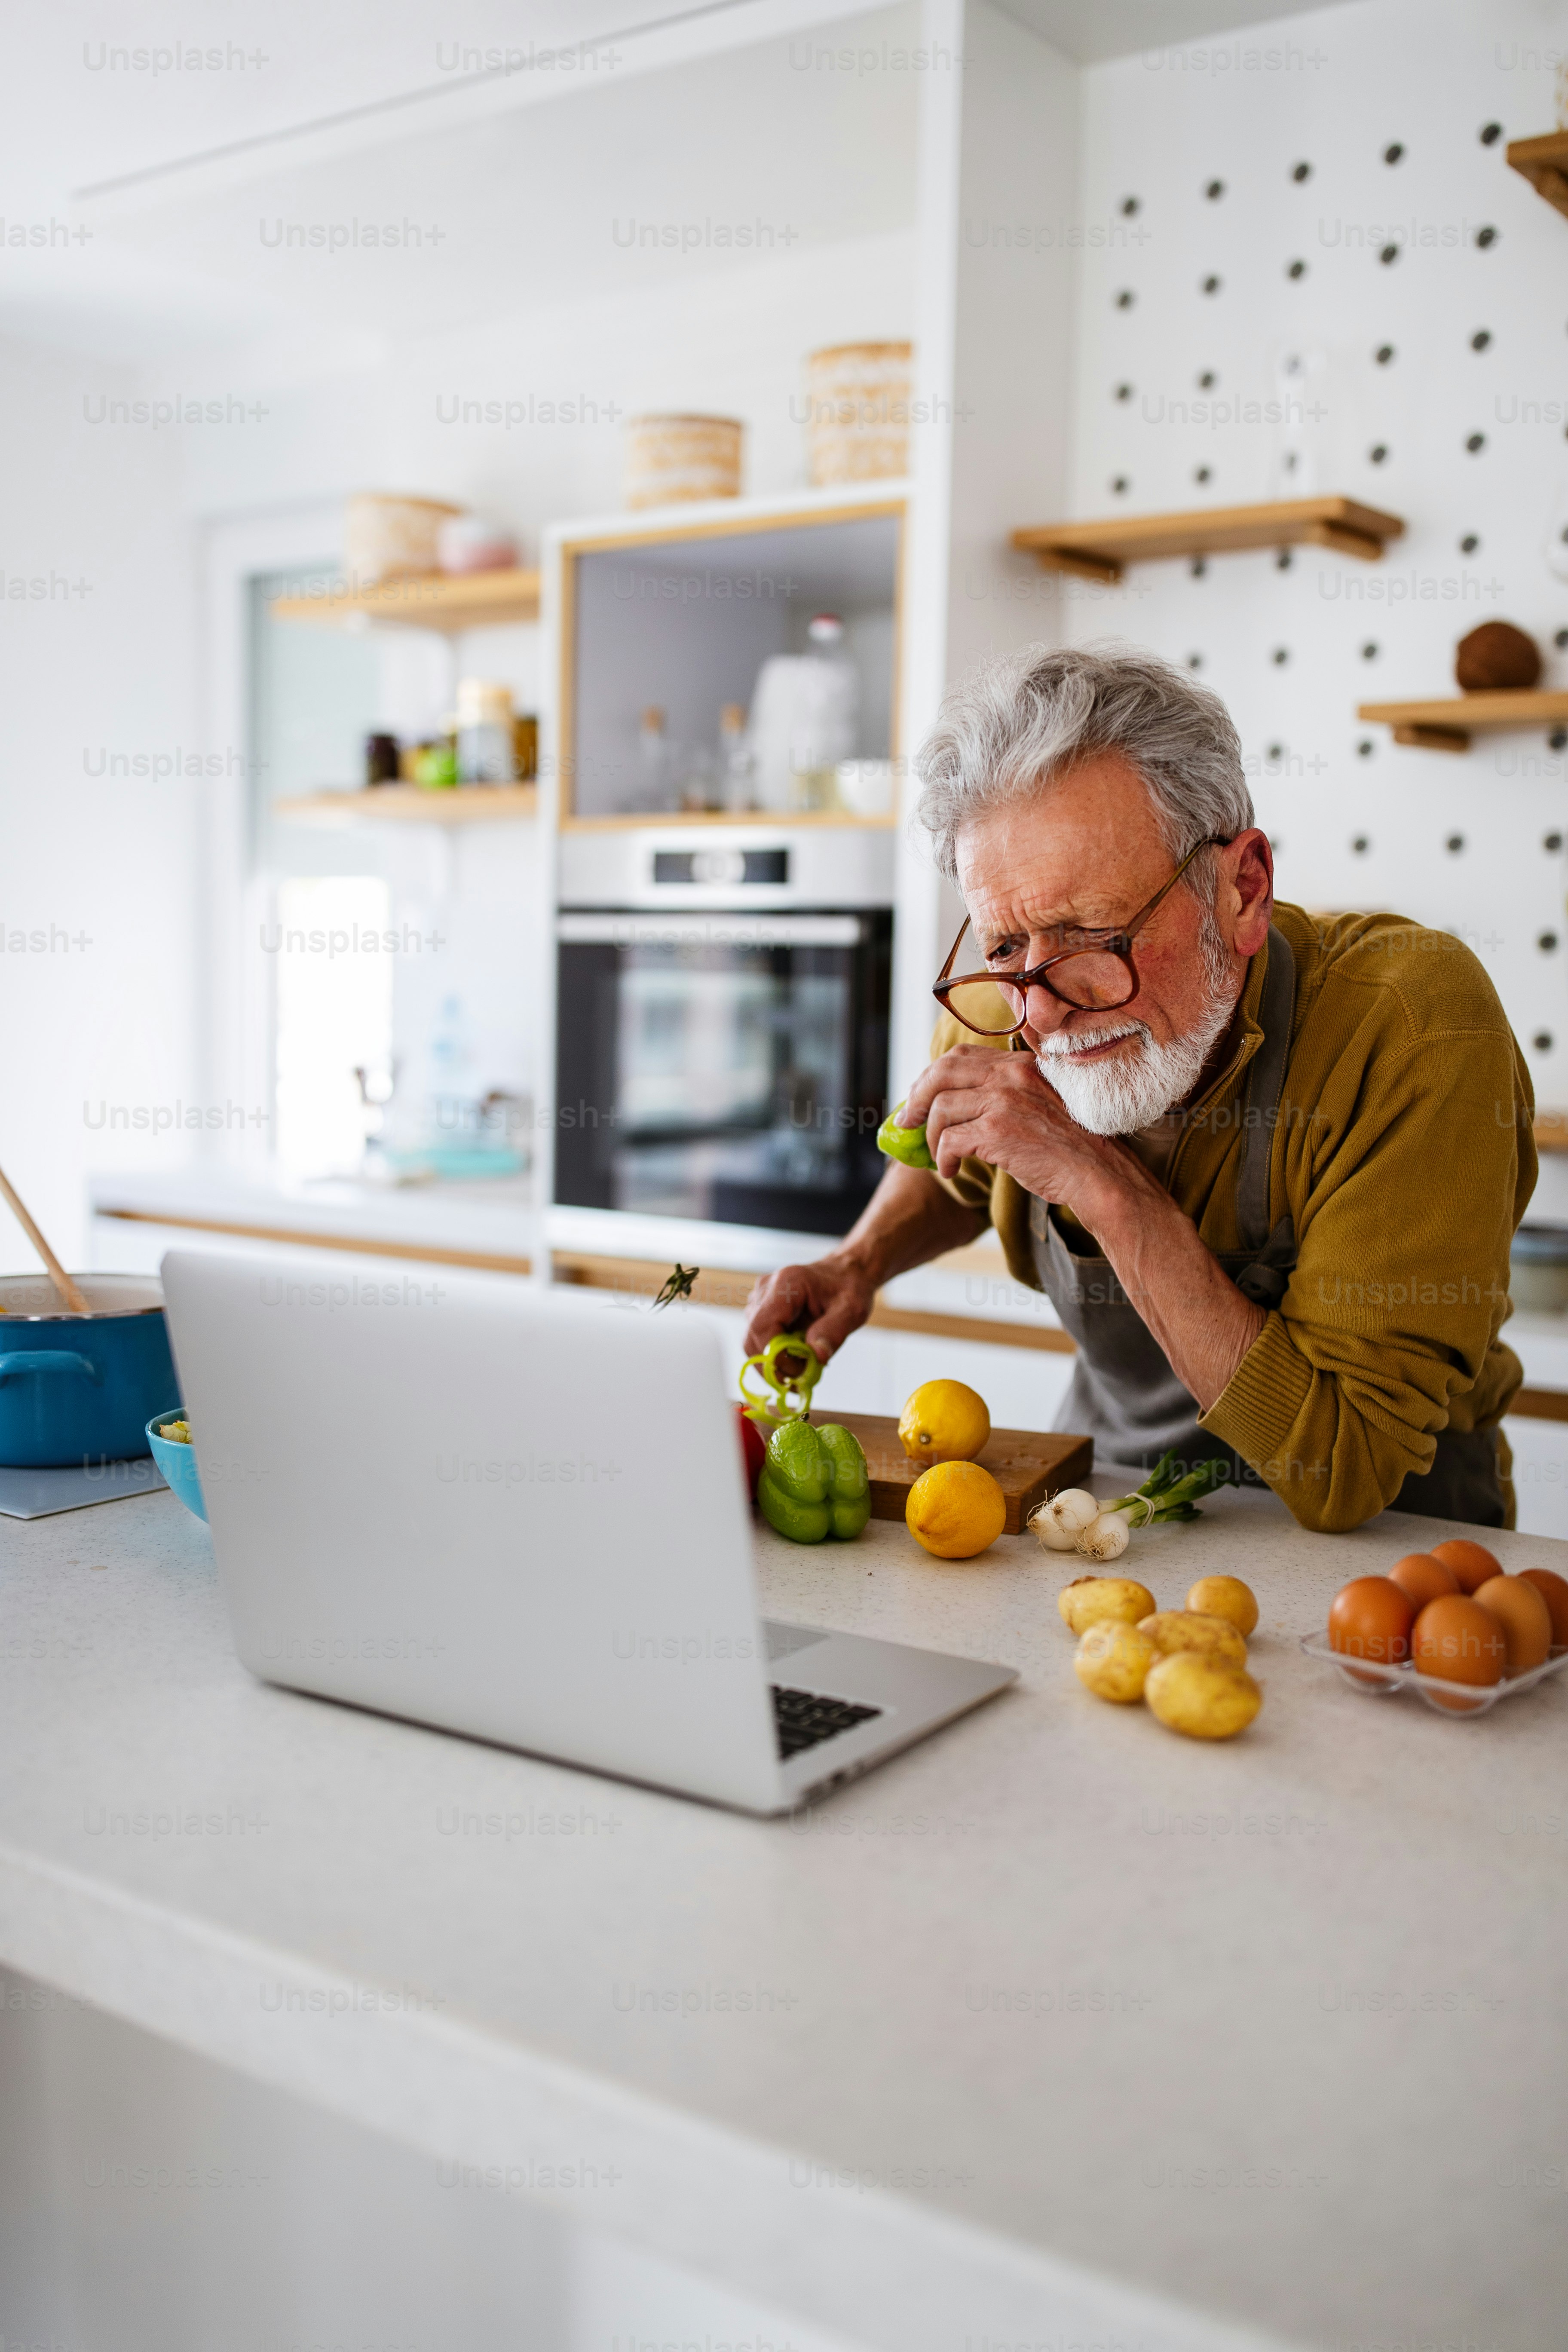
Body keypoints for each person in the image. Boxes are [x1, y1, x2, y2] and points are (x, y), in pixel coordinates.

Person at [743, 644, 1535, 1532]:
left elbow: (1344, 1465)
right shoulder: (1008, 1000)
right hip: (1099, 1513)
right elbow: (956, 1163)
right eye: (1006, 946)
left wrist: (1096, 1177)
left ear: (1243, 890)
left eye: (1093, 933)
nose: (1043, 1010)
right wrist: (857, 1263)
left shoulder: (1413, 1025)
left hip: (1394, 1554)